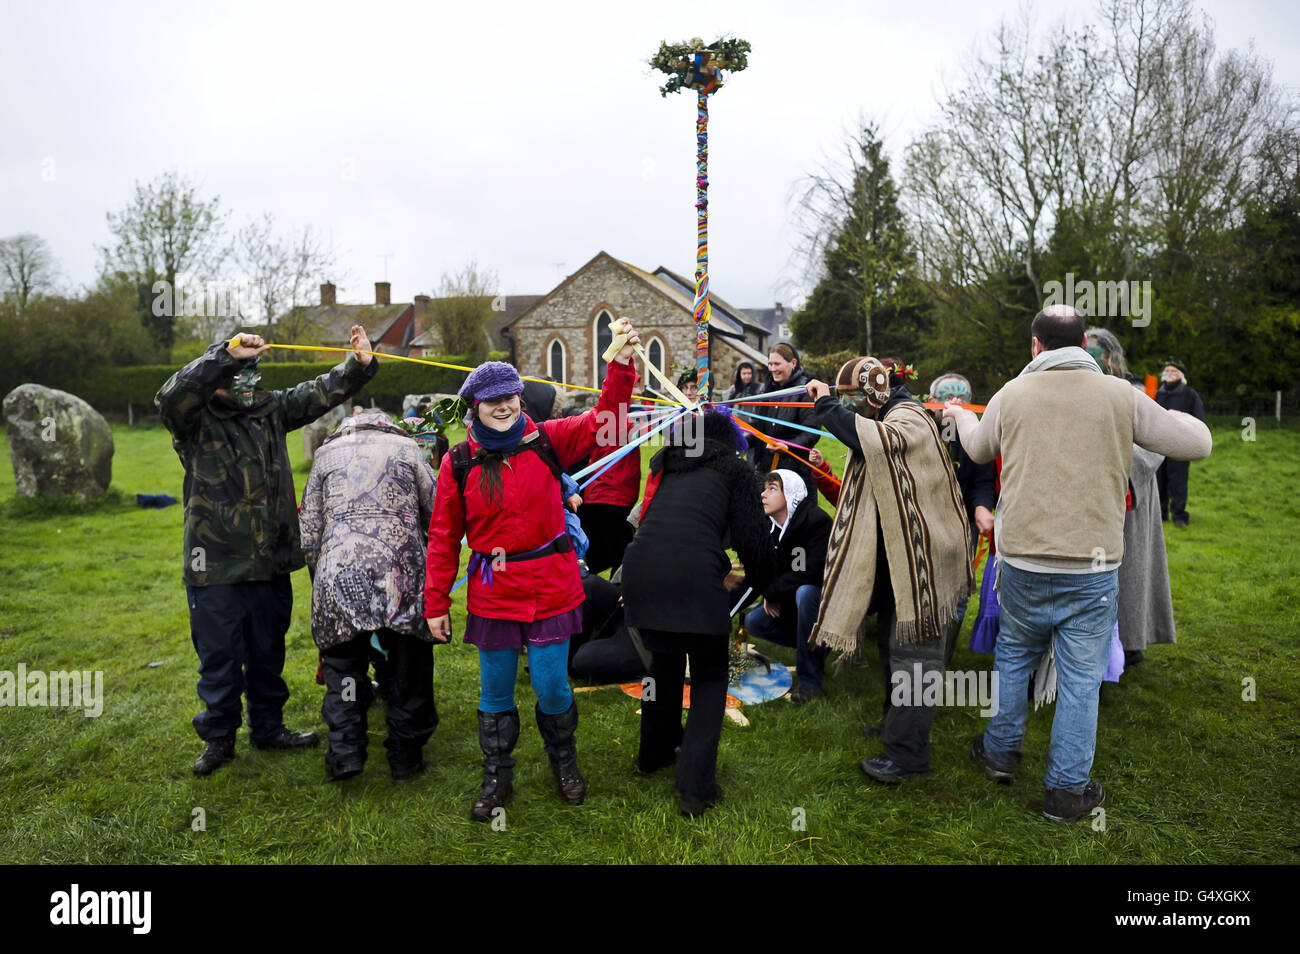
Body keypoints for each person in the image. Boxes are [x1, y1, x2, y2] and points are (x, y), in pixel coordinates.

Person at [945, 305, 1211, 823]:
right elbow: (1197, 443)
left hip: (1020, 558)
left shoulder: (1011, 393)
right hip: (1091, 567)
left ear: (1036, 345)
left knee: (1014, 657)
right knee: (1081, 679)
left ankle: (1000, 754)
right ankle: (1067, 791)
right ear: (1083, 341)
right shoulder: (1121, 396)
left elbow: (977, 451)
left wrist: (959, 416)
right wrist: (1169, 410)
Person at [424, 326, 640, 822]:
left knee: (552, 686)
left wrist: (621, 366)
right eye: (493, 400)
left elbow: (604, 420)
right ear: (474, 406)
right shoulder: (458, 463)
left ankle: (564, 764)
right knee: (495, 691)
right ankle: (497, 776)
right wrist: (436, 603)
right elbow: (442, 538)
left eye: (511, 397)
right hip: (494, 591)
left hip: (552, 585)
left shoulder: (549, 440)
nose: (504, 406)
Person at [155, 325, 379, 775]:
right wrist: (225, 352)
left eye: (250, 373)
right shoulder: (195, 419)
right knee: (218, 659)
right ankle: (219, 739)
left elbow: (320, 392)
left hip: (271, 561)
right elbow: (170, 395)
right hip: (214, 565)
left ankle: (269, 727)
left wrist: (358, 365)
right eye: (238, 373)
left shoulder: (271, 410)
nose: (246, 383)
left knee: (267, 653)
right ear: (221, 374)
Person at [806, 359, 973, 784]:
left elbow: (879, 443)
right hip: (899, 560)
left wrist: (827, 408)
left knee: (915, 657)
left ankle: (908, 757)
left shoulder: (908, 418)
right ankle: (896, 726)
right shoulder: (892, 415)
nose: (853, 408)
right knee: (894, 651)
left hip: (926, 561)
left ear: (876, 392)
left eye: (855, 399)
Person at [622, 408, 771, 816]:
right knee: (709, 678)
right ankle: (695, 788)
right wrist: (763, 580)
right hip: (693, 576)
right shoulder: (734, 470)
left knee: (663, 668)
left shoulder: (668, 465)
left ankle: (653, 756)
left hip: (642, 572)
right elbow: (753, 538)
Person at [299, 409, 440, 782]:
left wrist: (322, 578)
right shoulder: (409, 449)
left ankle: (346, 752)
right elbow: (435, 511)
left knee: (345, 667)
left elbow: (310, 531)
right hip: (401, 573)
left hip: (339, 571)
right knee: (409, 664)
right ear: (388, 424)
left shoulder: (325, 456)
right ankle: (405, 756)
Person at [1085, 329, 1176, 666]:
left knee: (1131, 571)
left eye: (1094, 350)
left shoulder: (1135, 392)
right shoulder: (1077, 389)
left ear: (1110, 356)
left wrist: (1113, 464)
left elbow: (1155, 443)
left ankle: (1131, 639)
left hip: (1130, 497)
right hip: (1087, 498)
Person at [742, 469, 831, 704]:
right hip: (790, 600)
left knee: (806, 593)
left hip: (822, 600)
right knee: (753, 622)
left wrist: (773, 592)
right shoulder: (769, 526)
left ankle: (810, 681)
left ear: (789, 493)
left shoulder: (815, 521)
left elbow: (809, 571)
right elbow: (763, 569)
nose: (763, 494)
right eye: (765, 488)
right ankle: (816, 644)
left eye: (772, 489)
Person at [929, 372, 997, 656]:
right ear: (933, 401)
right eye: (948, 397)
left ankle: (942, 658)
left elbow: (983, 479)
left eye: (962, 397)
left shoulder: (976, 434)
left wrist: (981, 506)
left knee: (956, 593)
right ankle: (916, 651)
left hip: (961, 523)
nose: (955, 402)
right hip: (924, 522)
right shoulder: (921, 430)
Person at [576, 374, 643, 575]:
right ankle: (610, 598)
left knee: (594, 554)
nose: (641, 391)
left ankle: (586, 591)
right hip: (613, 500)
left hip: (595, 496)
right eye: (636, 386)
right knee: (620, 556)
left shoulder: (600, 416)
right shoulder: (629, 421)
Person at [745, 343, 819, 478]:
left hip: (794, 469)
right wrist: (740, 440)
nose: (773, 369)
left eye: (777, 364)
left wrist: (788, 446)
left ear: (793, 363)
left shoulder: (805, 390)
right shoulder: (767, 391)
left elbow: (812, 431)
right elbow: (757, 425)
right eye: (770, 364)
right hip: (765, 467)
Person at [1154, 359, 1206, 527]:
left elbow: (1199, 418)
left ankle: (1179, 515)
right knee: (1158, 480)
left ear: (1180, 375)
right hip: (1158, 444)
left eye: (1173, 371)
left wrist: (1182, 417)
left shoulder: (1190, 394)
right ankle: (1160, 514)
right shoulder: (1156, 393)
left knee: (1178, 481)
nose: (1169, 373)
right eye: (1167, 370)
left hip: (1180, 443)